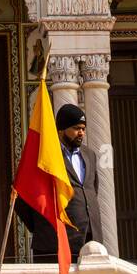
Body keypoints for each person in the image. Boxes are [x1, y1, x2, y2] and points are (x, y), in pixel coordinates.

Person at [16, 104, 104, 261]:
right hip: (54, 242)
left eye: (83, 128)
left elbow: (91, 190)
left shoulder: (89, 155)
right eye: (77, 128)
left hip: (90, 239)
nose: (81, 133)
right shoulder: (44, 157)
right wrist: (42, 226)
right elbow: (22, 196)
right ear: (61, 130)